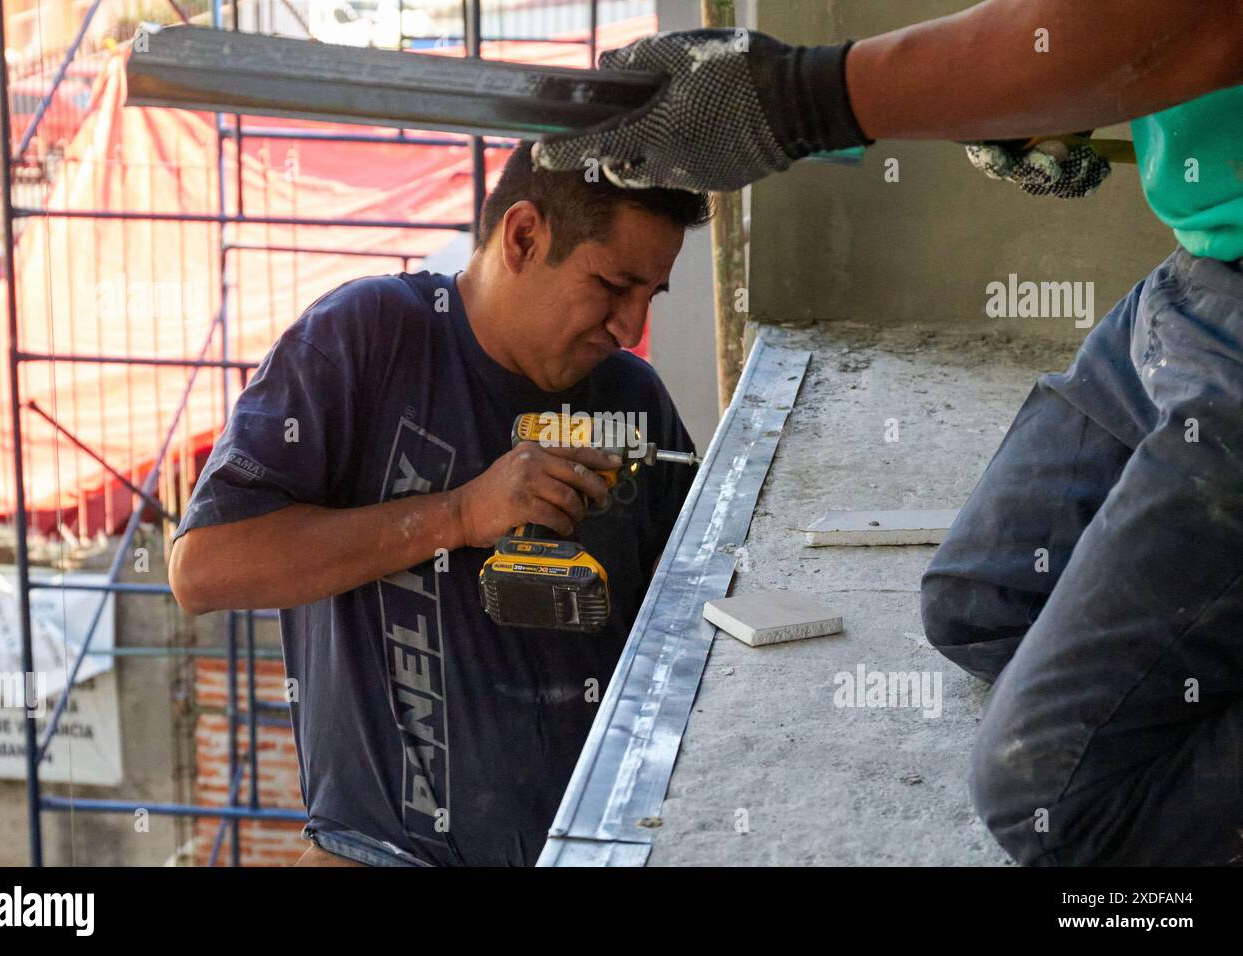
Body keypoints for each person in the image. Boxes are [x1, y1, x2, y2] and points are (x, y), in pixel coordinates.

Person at [534, 2, 1243, 865]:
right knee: (981, 606)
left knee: (1051, 797)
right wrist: (1066, 86)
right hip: (1199, 276)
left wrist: (801, 97)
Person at [167, 144, 710, 866]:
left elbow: (698, 629)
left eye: (651, 297)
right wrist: (457, 515)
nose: (628, 325)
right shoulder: (370, 337)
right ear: (523, 237)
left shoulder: (633, 400)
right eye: (614, 287)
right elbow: (204, 569)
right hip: (380, 853)